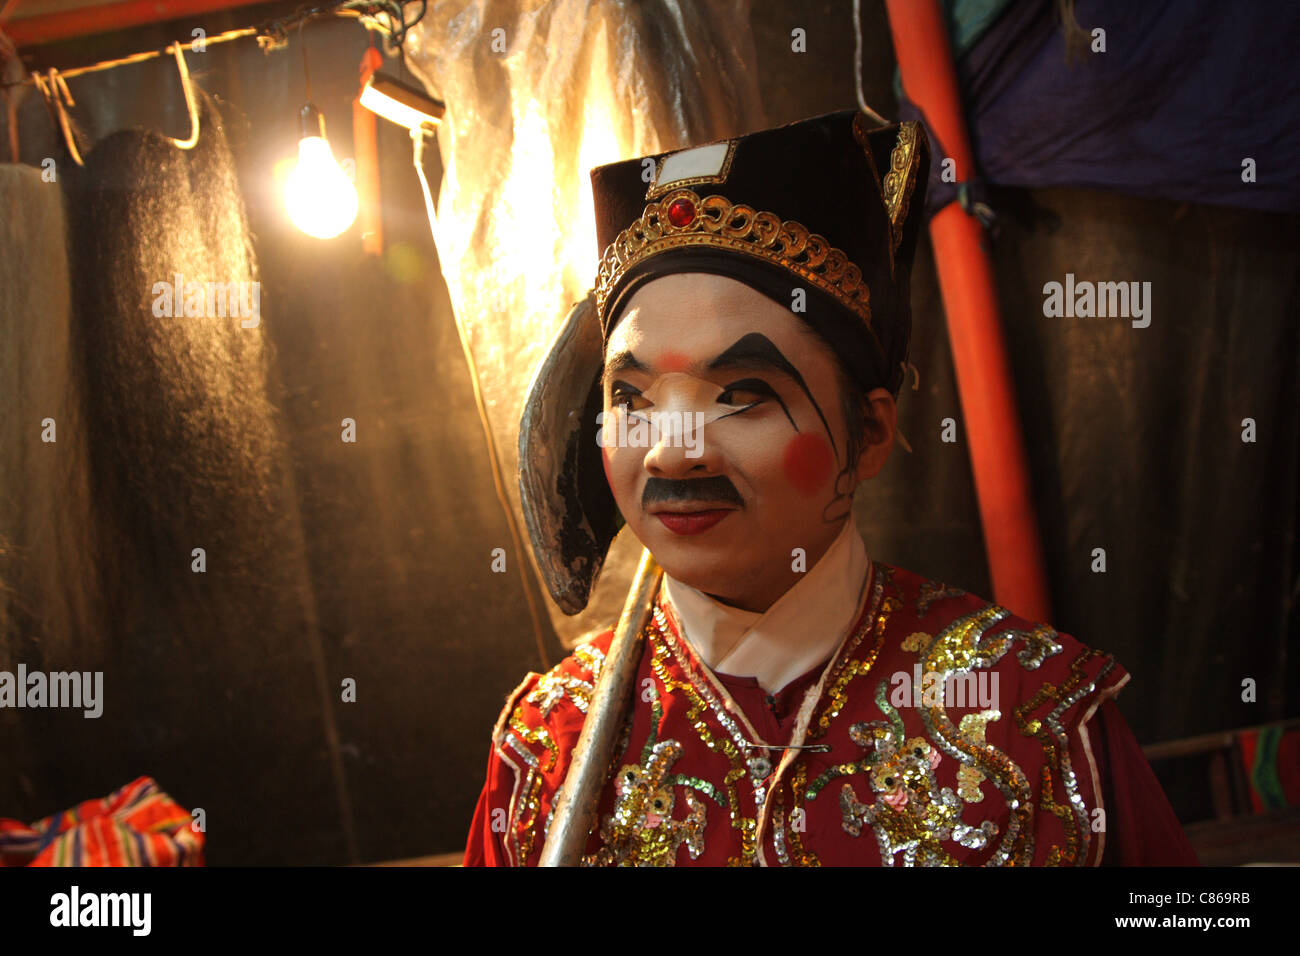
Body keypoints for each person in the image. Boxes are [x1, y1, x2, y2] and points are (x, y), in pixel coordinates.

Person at [463, 110, 1198, 866]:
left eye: (743, 393)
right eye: (632, 399)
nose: (670, 456)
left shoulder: (1033, 712)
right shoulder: (544, 752)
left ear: (871, 434)